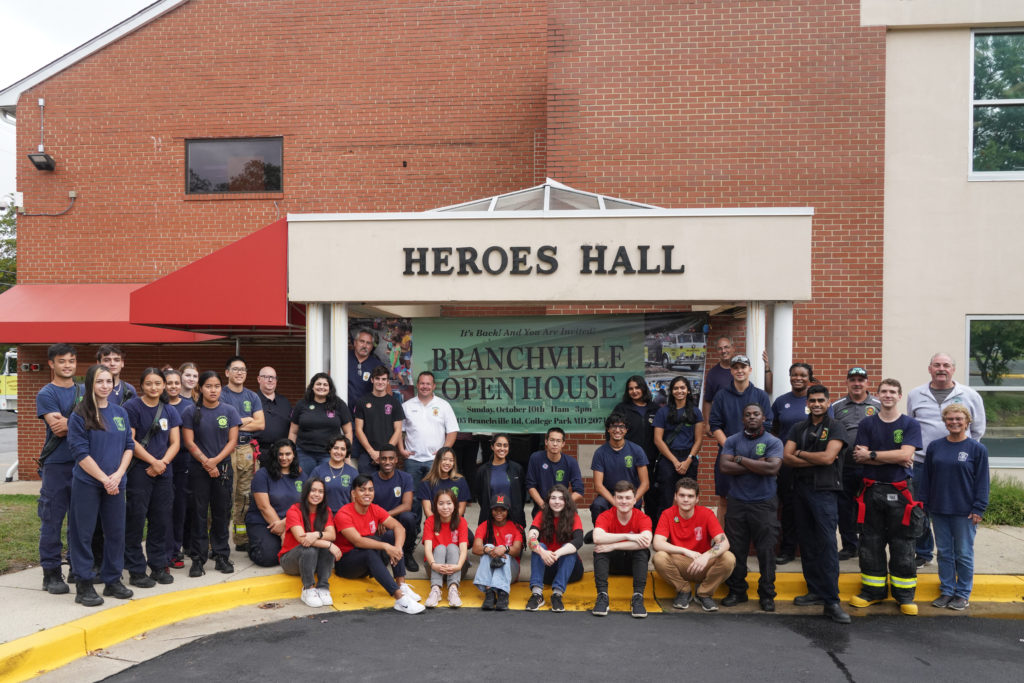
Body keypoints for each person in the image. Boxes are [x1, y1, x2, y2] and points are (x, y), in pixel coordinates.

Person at [849, 378, 924, 615]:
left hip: (901, 491)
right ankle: (873, 592)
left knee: (903, 543)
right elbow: (858, 456)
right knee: (870, 543)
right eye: (884, 391)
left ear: (900, 396)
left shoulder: (910, 424)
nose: (888, 395)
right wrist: (891, 455)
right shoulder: (867, 423)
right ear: (878, 395)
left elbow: (905, 456)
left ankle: (904, 596)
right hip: (871, 491)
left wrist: (873, 454)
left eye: (893, 391)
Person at [906, 353, 986, 567]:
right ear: (930, 368)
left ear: (953, 369)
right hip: (923, 462)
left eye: (946, 365)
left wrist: (964, 452)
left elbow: (978, 429)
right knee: (921, 508)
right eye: (937, 365)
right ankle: (923, 552)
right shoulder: (915, 394)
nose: (942, 368)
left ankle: (958, 553)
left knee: (956, 509)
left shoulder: (969, 395)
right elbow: (911, 427)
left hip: (959, 465)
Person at [66, 364, 135, 606]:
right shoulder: (79, 415)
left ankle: (113, 580)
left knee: (116, 532)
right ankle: (83, 584)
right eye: (99, 381)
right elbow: (80, 453)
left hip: (116, 483)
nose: (105, 386)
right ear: (90, 384)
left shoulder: (120, 413)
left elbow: (129, 446)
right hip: (88, 483)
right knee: (82, 533)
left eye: (109, 381)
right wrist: (105, 479)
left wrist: (117, 475)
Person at [782, 385, 851, 624]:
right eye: (813, 400)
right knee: (808, 543)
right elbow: (786, 457)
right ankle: (814, 591)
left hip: (824, 492)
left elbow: (828, 458)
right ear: (807, 403)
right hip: (800, 490)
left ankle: (831, 601)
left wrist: (801, 454)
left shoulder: (836, 427)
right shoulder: (798, 427)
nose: (817, 404)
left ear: (829, 402)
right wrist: (808, 457)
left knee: (827, 545)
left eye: (821, 400)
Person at [917, 404, 989, 611]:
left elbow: (983, 482)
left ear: (967, 422)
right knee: (945, 553)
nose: (954, 422)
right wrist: (923, 503)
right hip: (939, 509)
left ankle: (962, 594)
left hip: (965, 511)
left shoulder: (977, 449)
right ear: (944, 422)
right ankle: (947, 590)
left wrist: (979, 508)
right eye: (950, 419)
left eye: (959, 419)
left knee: (964, 553)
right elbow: (927, 477)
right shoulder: (935, 446)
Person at [718, 403, 783, 612]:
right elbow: (725, 466)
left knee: (766, 551)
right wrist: (757, 464)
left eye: (756, 414)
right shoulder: (732, 440)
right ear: (742, 419)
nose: (752, 417)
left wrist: (741, 460)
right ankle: (737, 591)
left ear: (763, 417)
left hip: (764, 503)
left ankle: (766, 594)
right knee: (737, 550)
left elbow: (772, 468)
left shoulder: (773, 441)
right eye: (748, 415)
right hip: (737, 502)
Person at [123, 368, 181, 588]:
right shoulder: (132, 407)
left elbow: (175, 442)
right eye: (149, 383)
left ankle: (158, 565)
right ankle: (136, 570)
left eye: (158, 383)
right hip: (140, 471)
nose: (154, 388)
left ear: (164, 385)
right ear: (142, 385)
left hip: (164, 472)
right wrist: (152, 462)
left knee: (161, 520)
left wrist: (162, 463)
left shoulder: (168, 409)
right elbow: (131, 440)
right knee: (136, 520)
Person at [334, 474, 425, 614]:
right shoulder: (344, 513)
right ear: (353, 493)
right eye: (362, 490)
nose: (367, 493)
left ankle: (402, 585)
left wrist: (397, 548)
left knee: (393, 537)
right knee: (371, 552)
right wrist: (386, 547)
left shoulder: (374, 509)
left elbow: (399, 527)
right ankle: (400, 599)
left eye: (370, 490)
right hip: (347, 564)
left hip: (369, 560)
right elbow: (357, 541)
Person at [181, 370, 241, 577]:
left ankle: (221, 555)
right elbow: (189, 441)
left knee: (222, 512)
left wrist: (214, 461)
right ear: (201, 388)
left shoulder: (229, 411)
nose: (213, 390)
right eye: (208, 386)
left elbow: (232, 441)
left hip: (222, 469)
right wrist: (206, 462)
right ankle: (198, 558)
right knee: (198, 513)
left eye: (216, 386)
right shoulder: (190, 411)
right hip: (198, 469)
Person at [36, 343, 82, 594]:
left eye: (72, 361)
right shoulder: (46, 393)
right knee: (52, 520)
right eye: (62, 361)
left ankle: (77, 567)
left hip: (83, 463)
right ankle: (51, 573)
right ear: (52, 364)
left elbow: (98, 422)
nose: (68, 365)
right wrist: (82, 421)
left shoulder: (85, 390)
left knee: (80, 520)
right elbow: (58, 428)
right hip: (56, 464)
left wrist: (74, 422)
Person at [653, 478, 735, 612]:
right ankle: (683, 590)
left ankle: (704, 593)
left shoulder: (706, 514)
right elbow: (657, 543)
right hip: (680, 564)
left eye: (690, 496)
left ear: (697, 499)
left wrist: (707, 556)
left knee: (728, 558)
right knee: (659, 557)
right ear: (675, 497)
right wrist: (685, 551)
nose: (686, 499)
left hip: (703, 564)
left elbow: (725, 543)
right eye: (682, 495)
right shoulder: (667, 514)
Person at [709, 354, 773, 523]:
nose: (739, 371)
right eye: (736, 368)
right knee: (724, 500)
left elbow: (767, 426)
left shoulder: (761, 395)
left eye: (743, 367)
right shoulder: (722, 396)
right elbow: (715, 425)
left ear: (749, 370)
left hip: (755, 457)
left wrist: (750, 451)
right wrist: (730, 447)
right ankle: (721, 542)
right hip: (728, 457)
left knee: (755, 501)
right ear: (731, 371)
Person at [829, 366, 881, 560]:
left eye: (861, 380)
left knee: (872, 506)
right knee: (845, 506)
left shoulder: (878, 404)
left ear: (867, 382)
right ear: (847, 382)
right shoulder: (836, 405)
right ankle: (850, 545)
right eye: (853, 380)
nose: (857, 383)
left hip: (872, 465)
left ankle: (869, 544)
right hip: (845, 466)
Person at [399, 371, 459, 522]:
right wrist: (401, 449)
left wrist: (443, 453)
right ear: (417, 385)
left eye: (428, 384)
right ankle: (413, 535)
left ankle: (436, 532)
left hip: (435, 461)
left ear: (433, 386)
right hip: (412, 460)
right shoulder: (406, 406)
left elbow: (452, 431)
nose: (425, 386)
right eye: (422, 383)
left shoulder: (443, 405)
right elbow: (398, 430)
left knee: (438, 498)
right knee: (413, 499)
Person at [219, 356, 265, 553]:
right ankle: (216, 541)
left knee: (244, 497)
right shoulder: (220, 394)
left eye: (243, 370)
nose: (240, 373)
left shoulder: (252, 397)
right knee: (223, 496)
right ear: (227, 372)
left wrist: (236, 421)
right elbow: (221, 423)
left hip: (247, 451)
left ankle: (240, 538)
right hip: (226, 450)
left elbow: (261, 424)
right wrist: (245, 421)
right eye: (236, 369)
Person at [771, 362, 815, 565]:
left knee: (809, 507)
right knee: (788, 507)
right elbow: (774, 431)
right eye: (794, 375)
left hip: (811, 464)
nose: (798, 378)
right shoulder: (781, 402)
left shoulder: (816, 401)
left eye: (803, 375)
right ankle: (787, 550)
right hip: (786, 464)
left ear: (810, 378)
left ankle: (809, 550)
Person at [591, 481, 653, 619]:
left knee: (642, 551)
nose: (623, 501)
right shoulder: (605, 516)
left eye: (627, 498)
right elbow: (597, 538)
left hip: (633, 565)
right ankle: (602, 596)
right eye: (620, 497)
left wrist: (613, 545)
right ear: (614, 499)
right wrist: (628, 536)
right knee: (600, 550)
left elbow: (646, 542)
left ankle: (638, 597)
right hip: (612, 565)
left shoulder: (643, 517)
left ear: (634, 500)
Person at [279, 477, 340, 608]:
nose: (316, 495)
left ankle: (323, 587)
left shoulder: (325, 511)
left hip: (314, 561)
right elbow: (302, 539)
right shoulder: (294, 510)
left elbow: (332, 534)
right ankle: (308, 589)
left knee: (323, 549)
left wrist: (317, 534)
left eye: (320, 491)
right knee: (310, 549)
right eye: (313, 490)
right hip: (291, 560)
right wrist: (329, 544)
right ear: (306, 491)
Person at [651, 375, 704, 524]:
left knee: (688, 498)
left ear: (688, 390)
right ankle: (663, 534)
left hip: (689, 458)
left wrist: (688, 460)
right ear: (671, 391)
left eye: (682, 388)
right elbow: (657, 440)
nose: (679, 391)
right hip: (668, 459)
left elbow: (699, 439)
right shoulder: (663, 412)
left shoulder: (695, 412)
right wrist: (675, 461)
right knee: (666, 498)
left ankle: (689, 531)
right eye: (676, 388)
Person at [525, 484, 584, 612]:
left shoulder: (573, 516)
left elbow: (578, 541)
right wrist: (543, 552)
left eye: (561, 498)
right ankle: (537, 595)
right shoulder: (541, 515)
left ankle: (557, 594)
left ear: (566, 501)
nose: (557, 502)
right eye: (553, 498)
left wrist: (556, 554)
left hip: (570, 569)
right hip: (547, 568)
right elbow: (531, 538)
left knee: (569, 549)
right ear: (548, 500)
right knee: (538, 546)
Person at [246, 438, 303, 567]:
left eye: (288, 454)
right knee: (268, 558)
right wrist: (283, 533)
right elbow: (264, 507)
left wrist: (286, 523)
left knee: (301, 549)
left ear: (294, 455)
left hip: (290, 521)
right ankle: (253, 546)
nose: (284, 458)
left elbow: (304, 504)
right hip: (265, 522)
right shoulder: (263, 475)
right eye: (280, 454)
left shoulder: (300, 475)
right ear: (275, 455)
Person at [290, 372, 354, 477]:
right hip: (304, 454)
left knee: (327, 486)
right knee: (304, 484)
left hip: (329, 455)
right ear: (312, 387)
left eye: (325, 385)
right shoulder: (302, 404)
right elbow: (293, 432)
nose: (321, 387)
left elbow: (348, 432)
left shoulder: (339, 405)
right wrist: (291, 454)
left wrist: (347, 456)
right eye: (318, 384)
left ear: (330, 388)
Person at [589, 412, 649, 522]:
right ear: (608, 429)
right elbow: (598, 486)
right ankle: (600, 534)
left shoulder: (637, 450)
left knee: (634, 509)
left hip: (630, 495)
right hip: (609, 495)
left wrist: (632, 499)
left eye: (621, 426)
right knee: (598, 505)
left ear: (626, 430)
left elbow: (645, 483)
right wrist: (615, 501)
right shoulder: (600, 453)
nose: (617, 430)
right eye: (613, 426)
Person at [163, 368, 194, 571]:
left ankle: (176, 550)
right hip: (161, 460)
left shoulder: (189, 406)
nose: (173, 386)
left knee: (180, 507)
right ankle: (163, 551)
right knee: (163, 507)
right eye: (169, 382)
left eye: (176, 383)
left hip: (183, 460)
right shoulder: (158, 405)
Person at [614, 375, 660, 509]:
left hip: (651, 462)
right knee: (629, 498)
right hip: (628, 461)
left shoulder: (655, 409)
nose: (634, 391)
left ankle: (650, 529)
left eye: (637, 388)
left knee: (652, 498)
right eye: (630, 389)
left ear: (643, 388)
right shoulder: (622, 408)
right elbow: (612, 432)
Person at [371, 446, 419, 572]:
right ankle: (387, 553)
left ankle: (407, 552)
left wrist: (385, 516)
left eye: (391, 458)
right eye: (384, 458)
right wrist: (380, 519)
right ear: (378, 460)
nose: (387, 462)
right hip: (379, 524)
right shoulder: (371, 479)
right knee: (389, 536)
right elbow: (367, 506)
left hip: (396, 520)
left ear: (396, 460)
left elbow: (407, 505)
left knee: (408, 517)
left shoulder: (406, 477)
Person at [472, 494, 524, 611]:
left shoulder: (517, 527)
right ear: (491, 510)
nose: (499, 513)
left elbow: (516, 551)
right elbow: (475, 549)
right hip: (491, 569)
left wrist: (505, 548)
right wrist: (489, 550)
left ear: (508, 511)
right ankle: (489, 592)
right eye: (496, 510)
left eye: (503, 510)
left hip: (511, 570)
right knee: (488, 546)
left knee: (503, 551)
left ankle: (503, 594)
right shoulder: (484, 525)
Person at [422, 488, 469, 608]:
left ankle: (453, 589)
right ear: (435, 506)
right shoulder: (430, 521)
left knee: (453, 547)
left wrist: (458, 566)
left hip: (457, 568)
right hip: (435, 567)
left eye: (449, 503)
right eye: (441, 503)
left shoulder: (461, 521)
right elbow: (427, 548)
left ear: (455, 505)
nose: (445, 507)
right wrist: (433, 564)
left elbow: (463, 549)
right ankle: (435, 589)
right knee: (440, 548)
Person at [353, 365, 404, 474]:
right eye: (377, 378)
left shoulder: (394, 402)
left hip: (388, 457)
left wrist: (384, 453)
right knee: (365, 488)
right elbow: (358, 430)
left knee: (387, 488)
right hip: (367, 455)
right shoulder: (362, 402)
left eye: (384, 379)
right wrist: (372, 452)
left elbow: (398, 430)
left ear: (387, 381)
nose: (380, 382)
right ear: (372, 380)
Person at [525, 427, 585, 517]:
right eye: (552, 440)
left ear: (563, 443)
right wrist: (543, 505)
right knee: (535, 531)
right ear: (546, 442)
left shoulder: (571, 462)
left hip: (563, 507)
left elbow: (579, 491)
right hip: (542, 507)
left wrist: (561, 504)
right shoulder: (536, 458)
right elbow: (530, 486)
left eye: (558, 441)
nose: (555, 444)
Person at [474, 433, 527, 527]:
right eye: (498, 445)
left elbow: (521, 495)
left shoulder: (517, 469)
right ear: (492, 447)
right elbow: (480, 496)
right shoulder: (483, 471)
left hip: (513, 519)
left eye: (505, 445)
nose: (502, 448)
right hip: (490, 518)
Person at [308, 436, 359, 514]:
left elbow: (356, 500)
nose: (338, 452)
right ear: (330, 449)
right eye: (335, 448)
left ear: (346, 452)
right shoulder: (318, 471)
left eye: (343, 449)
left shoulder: (353, 473)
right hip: (322, 515)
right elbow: (309, 494)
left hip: (345, 515)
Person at [417, 446, 471, 517]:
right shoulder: (426, 482)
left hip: (455, 523)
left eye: (451, 460)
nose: (447, 463)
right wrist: (438, 525)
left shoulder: (460, 481)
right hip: (434, 523)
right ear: (437, 461)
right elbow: (427, 511)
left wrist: (450, 524)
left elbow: (461, 509)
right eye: (444, 459)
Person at [255, 366, 292, 452]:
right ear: (259, 379)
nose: (270, 380)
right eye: (266, 377)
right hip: (258, 452)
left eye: (273, 377)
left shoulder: (285, 402)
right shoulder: (252, 401)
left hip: (282, 453)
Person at [348, 327, 385, 404]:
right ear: (355, 343)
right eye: (362, 341)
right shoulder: (343, 358)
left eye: (368, 343)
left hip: (367, 411)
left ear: (372, 346)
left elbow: (385, 392)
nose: (364, 345)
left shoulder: (378, 365)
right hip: (343, 410)